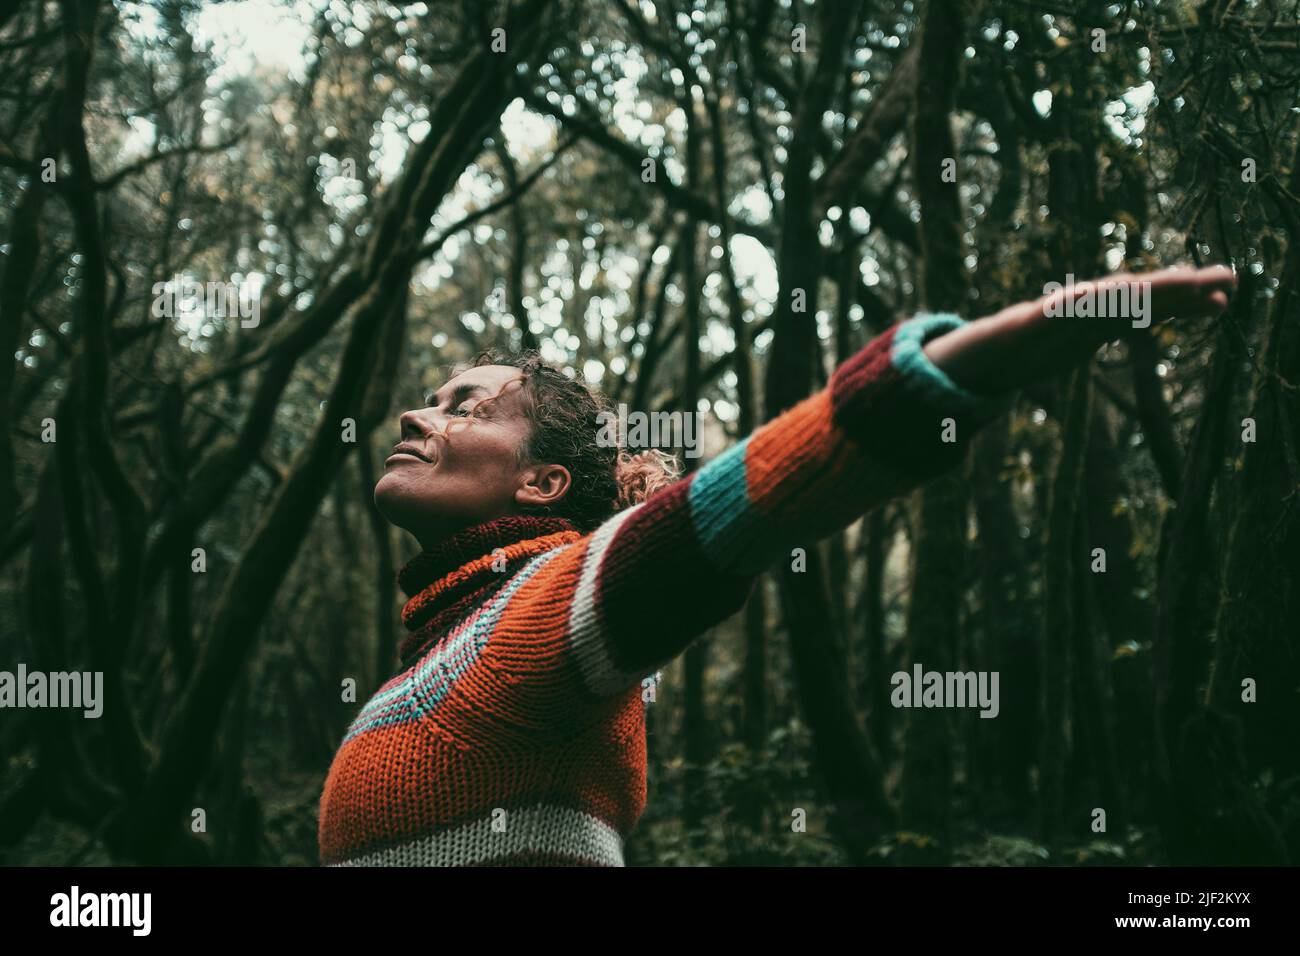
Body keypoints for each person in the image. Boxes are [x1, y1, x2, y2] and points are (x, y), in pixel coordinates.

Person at [317, 265, 1237, 866]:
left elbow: (743, 502)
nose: (416, 417)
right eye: (431, 400)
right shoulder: (452, 641)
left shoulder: (541, 619)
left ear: (543, 482)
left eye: (465, 407)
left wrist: (975, 360)